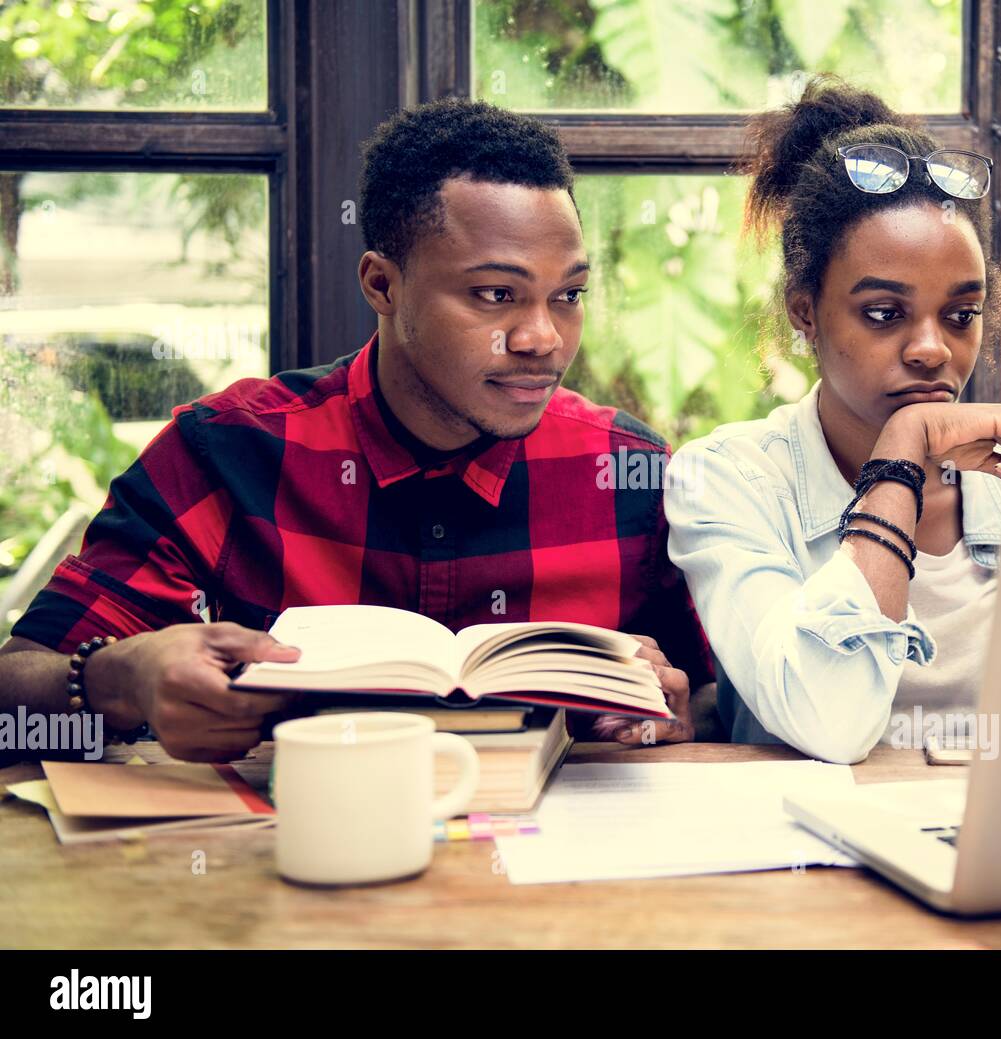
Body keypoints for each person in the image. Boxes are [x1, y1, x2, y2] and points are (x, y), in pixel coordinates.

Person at [0, 98, 712, 763]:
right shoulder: (225, 453)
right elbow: (13, 696)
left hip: (556, 882)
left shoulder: (629, 473)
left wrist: (676, 716)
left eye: (568, 296)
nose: (542, 338)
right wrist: (116, 679)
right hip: (280, 876)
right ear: (381, 284)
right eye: (496, 295)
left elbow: (721, 702)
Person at [664, 76, 1001, 765]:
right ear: (805, 312)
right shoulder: (728, 480)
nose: (933, 348)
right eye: (885, 313)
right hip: (800, 865)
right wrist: (900, 459)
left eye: (961, 315)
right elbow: (831, 720)